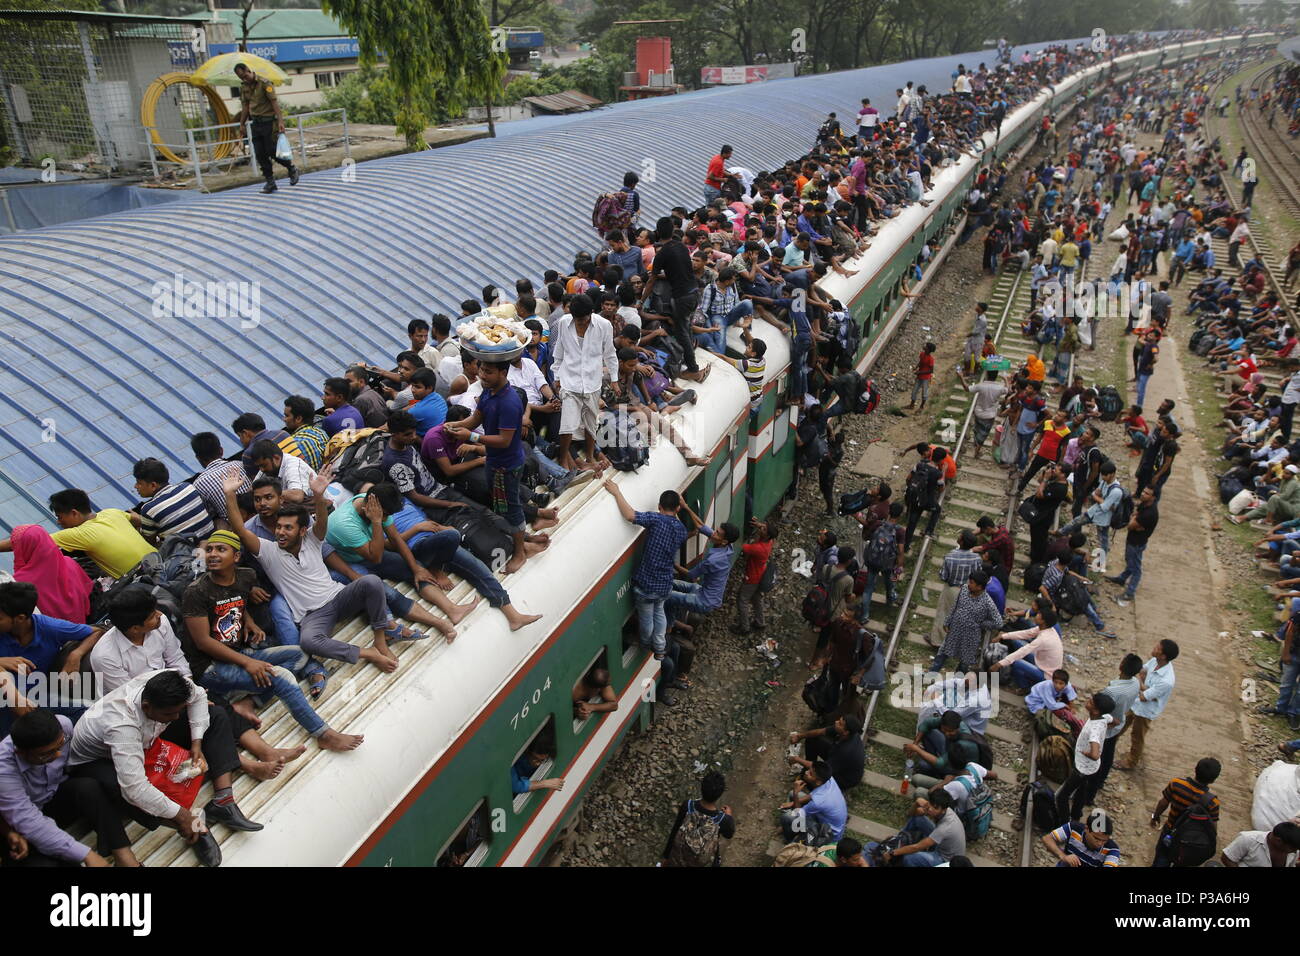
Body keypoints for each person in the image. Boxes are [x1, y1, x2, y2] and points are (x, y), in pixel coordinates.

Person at [182, 530, 364, 752]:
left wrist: (248, 621)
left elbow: (236, 599)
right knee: (282, 676)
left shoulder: (245, 576)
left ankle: (248, 701)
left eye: (221, 549)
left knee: (299, 653)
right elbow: (203, 642)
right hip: (210, 668)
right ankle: (323, 734)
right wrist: (248, 663)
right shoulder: (196, 592)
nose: (212, 554)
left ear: (236, 557)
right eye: (209, 549)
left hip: (238, 654)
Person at [68, 669, 260, 867]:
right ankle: (192, 827)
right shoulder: (121, 725)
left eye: (179, 710)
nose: (177, 717)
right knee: (123, 788)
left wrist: (196, 743)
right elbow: (134, 788)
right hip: (96, 761)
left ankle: (224, 801)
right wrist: (182, 815)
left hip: (145, 741)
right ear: (146, 707)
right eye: (170, 713)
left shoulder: (169, 681)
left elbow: (199, 696)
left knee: (216, 714)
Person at [220, 470, 403, 674]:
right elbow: (240, 529)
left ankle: (380, 640)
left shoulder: (313, 540)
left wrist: (318, 495)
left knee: (371, 581)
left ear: (302, 531)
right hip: (313, 615)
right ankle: (368, 653)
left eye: (288, 528)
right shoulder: (268, 551)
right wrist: (229, 494)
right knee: (308, 641)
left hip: (338, 596)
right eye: (279, 528)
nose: (280, 532)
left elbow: (322, 521)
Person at [0, 709, 123, 867]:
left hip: (52, 797)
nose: (58, 755)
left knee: (87, 788)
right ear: (21, 753)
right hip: (19, 819)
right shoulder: (4, 771)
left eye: (60, 746)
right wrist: (87, 854)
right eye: (46, 754)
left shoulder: (63, 726)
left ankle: (124, 855)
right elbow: (28, 820)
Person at [449, 360, 534, 574]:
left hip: (507, 465)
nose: (482, 375)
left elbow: (504, 440)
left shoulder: (509, 402)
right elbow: (476, 417)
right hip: (493, 462)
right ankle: (522, 538)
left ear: (503, 372)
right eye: (481, 370)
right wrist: (454, 425)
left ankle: (520, 552)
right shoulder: (488, 392)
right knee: (501, 504)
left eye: (488, 371)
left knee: (511, 507)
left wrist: (470, 436)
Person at [551, 293, 619, 473]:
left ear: (591, 314)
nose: (580, 323)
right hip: (569, 380)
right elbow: (559, 350)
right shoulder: (564, 323)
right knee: (567, 425)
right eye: (577, 320)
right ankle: (563, 457)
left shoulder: (604, 326)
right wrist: (557, 376)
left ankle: (589, 457)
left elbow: (610, 354)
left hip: (592, 381)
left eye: (583, 319)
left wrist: (615, 380)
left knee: (591, 424)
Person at [45, 489, 155, 580]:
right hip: (160, 561)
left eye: (60, 517)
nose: (58, 522)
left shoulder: (80, 534)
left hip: (142, 579)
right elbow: (138, 519)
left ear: (74, 513)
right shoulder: (112, 512)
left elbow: (36, 538)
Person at [1081, 654, 1143, 806]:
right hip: (1118, 724)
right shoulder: (1135, 683)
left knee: (1096, 758)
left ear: (1121, 665)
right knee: (1108, 755)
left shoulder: (1112, 691)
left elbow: (1098, 709)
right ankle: (1100, 781)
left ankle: (1089, 793)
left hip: (1105, 727)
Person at [0, 525, 92, 626]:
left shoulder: (19, 583)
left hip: (55, 635)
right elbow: (87, 592)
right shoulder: (68, 562)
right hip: (86, 625)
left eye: (16, 545)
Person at [234, 61, 298, 194]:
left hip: (269, 123)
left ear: (248, 70)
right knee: (260, 154)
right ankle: (270, 182)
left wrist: (281, 121)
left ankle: (291, 168)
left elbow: (274, 103)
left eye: (245, 75)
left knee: (272, 151)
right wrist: (241, 124)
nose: (244, 79)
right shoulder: (244, 87)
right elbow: (245, 106)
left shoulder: (265, 83)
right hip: (255, 124)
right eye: (241, 78)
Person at [1115, 638, 1178, 771]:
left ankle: (1131, 762)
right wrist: (1144, 687)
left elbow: (1144, 696)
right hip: (1136, 702)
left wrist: (1141, 686)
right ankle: (1108, 744)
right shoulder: (1155, 660)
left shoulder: (1167, 680)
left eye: (1157, 648)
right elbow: (1142, 672)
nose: (1154, 648)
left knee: (1137, 737)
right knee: (1119, 723)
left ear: (1163, 656)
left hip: (1145, 711)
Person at [1055, 692, 1115, 824]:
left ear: (1096, 710)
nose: (1088, 701)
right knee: (1081, 791)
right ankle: (1076, 815)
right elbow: (1114, 720)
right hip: (1092, 768)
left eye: (1091, 702)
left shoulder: (1094, 729)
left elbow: (1094, 755)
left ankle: (1064, 825)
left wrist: (1087, 753)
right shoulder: (1103, 717)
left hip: (1083, 768)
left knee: (1062, 796)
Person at [1150, 757, 1221, 867]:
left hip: (1170, 830)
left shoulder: (1176, 784)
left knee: (1162, 858)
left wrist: (1156, 817)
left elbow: (1163, 803)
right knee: (1182, 861)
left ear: (1195, 769)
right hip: (1190, 839)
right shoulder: (1212, 802)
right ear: (1213, 779)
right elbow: (1212, 827)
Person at [931, 570, 1003, 673]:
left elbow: (998, 622)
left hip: (970, 637)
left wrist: (981, 624)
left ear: (979, 587)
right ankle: (931, 674)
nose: (969, 584)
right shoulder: (964, 589)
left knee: (964, 663)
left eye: (972, 583)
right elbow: (955, 605)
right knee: (942, 653)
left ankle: (956, 684)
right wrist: (947, 621)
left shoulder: (988, 602)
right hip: (955, 630)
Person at [129, 458, 215, 543]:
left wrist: (141, 523)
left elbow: (150, 541)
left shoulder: (149, 509)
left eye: (139, 483)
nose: (135, 486)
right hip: (212, 542)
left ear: (153, 485)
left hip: (188, 554)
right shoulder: (188, 487)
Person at [662, 770, 736, 866]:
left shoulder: (688, 805)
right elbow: (729, 834)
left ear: (702, 788)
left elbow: (675, 831)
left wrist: (666, 857)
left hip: (678, 860)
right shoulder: (723, 820)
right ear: (720, 794)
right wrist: (728, 816)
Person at [874, 790, 965, 867]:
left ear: (944, 810)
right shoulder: (939, 809)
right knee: (917, 819)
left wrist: (892, 853)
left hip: (946, 859)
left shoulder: (945, 827)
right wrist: (916, 804)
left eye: (935, 808)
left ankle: (896, 854)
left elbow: (916, 847)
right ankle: (898, 840)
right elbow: (911, 815)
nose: (931, 809)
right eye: (931, 804)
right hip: (942, 843)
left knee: (909, 858)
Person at [1106, 485, 1158, 606]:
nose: (1143, 494)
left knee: (1135, 567)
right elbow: (1134, 516)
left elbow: (1130, 525)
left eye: (1147, 493)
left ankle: (1130, 592)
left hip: (1137, 543)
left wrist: (1134, 520)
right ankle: (1122, 579)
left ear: (1153, 497)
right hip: (1133, 539)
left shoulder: (1150, 513)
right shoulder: (1144, 505)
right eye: (1143, 491)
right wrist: (1134, 519)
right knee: (1130, 562)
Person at [789, 713, 865, 792]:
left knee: (820, 774)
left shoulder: (846, 751)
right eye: (839, 720)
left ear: (846, 732)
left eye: (839, 723)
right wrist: (799, 736)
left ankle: (810, 786)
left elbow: (823, 768)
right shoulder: (844, 731)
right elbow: (821, 732)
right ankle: (807, 771)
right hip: (836, 754)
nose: (836, 722)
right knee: (812, 740)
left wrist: (797, 759)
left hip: (844, 777)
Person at [931, 530, 982, 646]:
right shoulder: (976, 558)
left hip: (952, 590)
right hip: (968, 591)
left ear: (962, 542)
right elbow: (978, 574)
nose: (959, 537)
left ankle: (938, 641)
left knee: (944, 614)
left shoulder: (950, 556)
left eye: (961, 536)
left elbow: (943, 576)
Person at [779, 759, 847, 846]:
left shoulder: (819, 802)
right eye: (809, 770)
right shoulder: (829, 780)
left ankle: (790, 840)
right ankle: (792, 828)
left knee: (787, 817)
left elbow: (798, 814)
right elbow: (814, 795)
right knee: (792, 795)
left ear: (818, 782)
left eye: (810, 774)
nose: (806, 773)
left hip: (827, 832)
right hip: (828, 821)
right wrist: (793, 802)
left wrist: (796, 793)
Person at [734, 518, 776, 635]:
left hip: (752, 577)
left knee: (742, 600)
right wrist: (759, 526)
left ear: (767, 535)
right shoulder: (769, 542)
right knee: (756, 599)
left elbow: (741, 546)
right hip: (761, 574)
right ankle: (760, 621)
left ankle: (744, 627)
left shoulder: (757, 548)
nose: (761, 528)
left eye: (763, 529)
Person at [1042, 808, 1122, 867]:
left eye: (1104, 840)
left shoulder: (1112, 849)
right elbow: (1047, 839)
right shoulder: (1074, 828)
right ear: (1087, 829)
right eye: (1096, 838)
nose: (1100, 843)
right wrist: (1064, 856)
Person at [957, 368, 1006, 458]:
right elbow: (1008, 390)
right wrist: (1005, 379)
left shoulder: (981, 385)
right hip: (989, 415)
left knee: (977, 429)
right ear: (996, 375)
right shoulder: (1000, 388)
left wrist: (961, 377)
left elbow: (967, 388)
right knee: (984, 433)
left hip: (978, 413)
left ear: (987, 374)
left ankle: (976, 443)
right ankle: (977, 451)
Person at [1220, 821, 1300, 867]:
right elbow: (1227, 858)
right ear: (1278, 841)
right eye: (1292, 849)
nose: (1294, 851)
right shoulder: (1248, 839)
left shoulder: (1294, 851)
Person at [908, 343, 936, 410]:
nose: (924, 346)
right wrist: (916, 367)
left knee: (924, 393)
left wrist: (920, 372)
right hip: (919, 376)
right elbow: (920, 362)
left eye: (926, 346)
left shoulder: (930, 359)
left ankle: (921, 407)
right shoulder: (922, 354)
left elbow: (931, 371)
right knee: (914, 391)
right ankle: (912, 405)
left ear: (928, 349)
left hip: (925, 378)